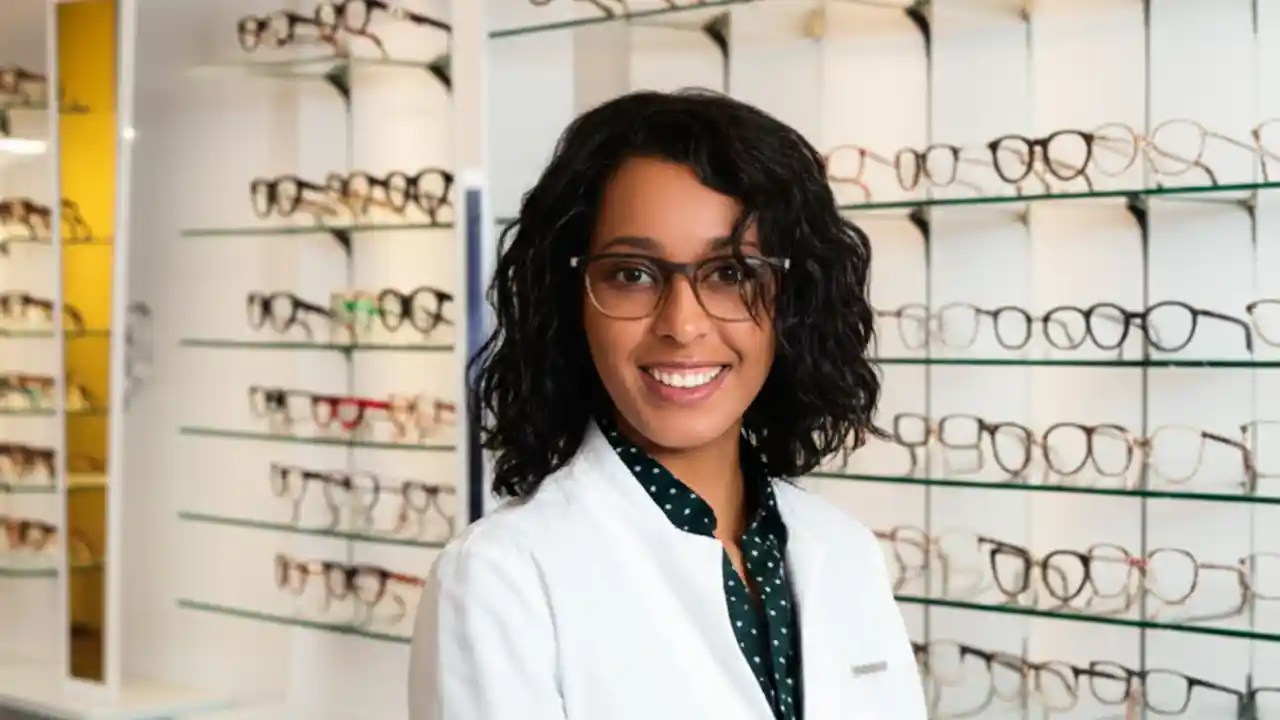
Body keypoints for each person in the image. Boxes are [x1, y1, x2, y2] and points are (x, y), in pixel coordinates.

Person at [408, 89, 926, 720]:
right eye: (632, 274)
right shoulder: (500, 578)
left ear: (794, 302)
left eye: (732, 273)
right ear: (571, 302)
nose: (682, 325)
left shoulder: (843, 551)